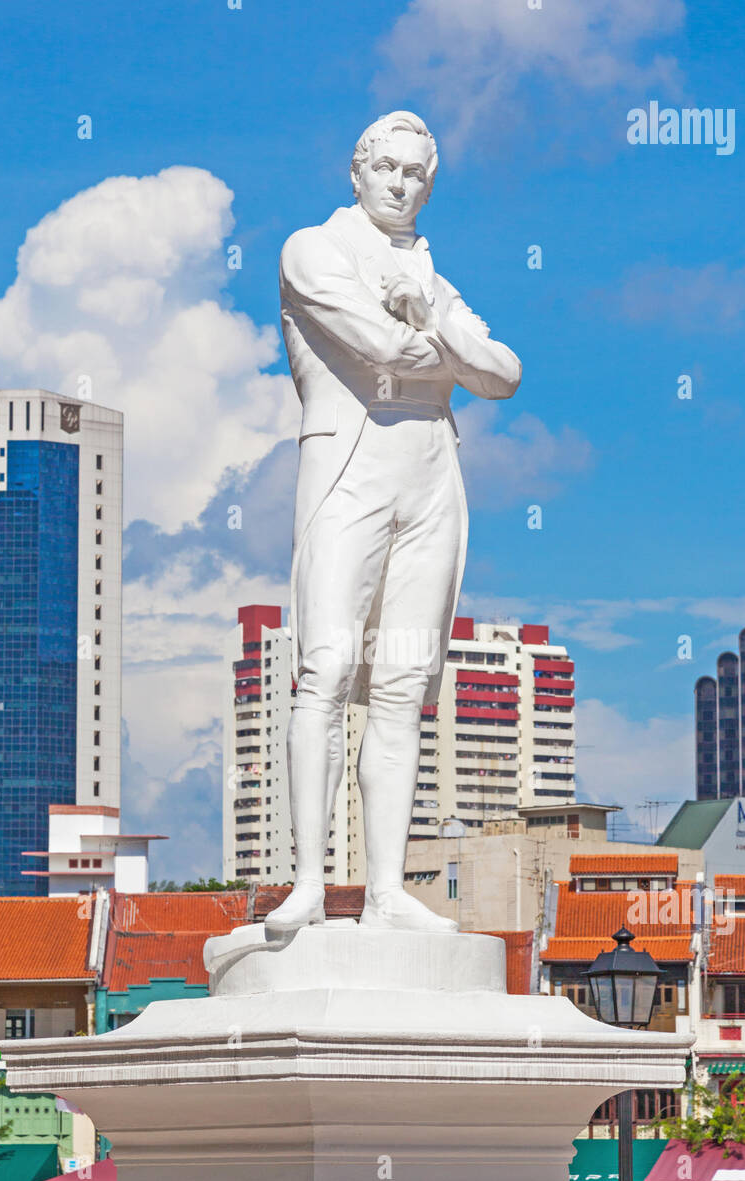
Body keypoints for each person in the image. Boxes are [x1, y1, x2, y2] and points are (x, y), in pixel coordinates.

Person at [269, 111, 521, 934]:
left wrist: (432, 316)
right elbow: (387, 350)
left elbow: (504, 375)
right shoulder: (313, 249)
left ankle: (384, 892)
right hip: (349, 469)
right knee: (329, 666)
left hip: (430, 481)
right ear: (358, 171)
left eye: (417, 173)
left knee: (406, 685)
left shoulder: (430, 277)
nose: (402, 183)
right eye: (388, 168)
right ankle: (308, 882)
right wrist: (436, 339)